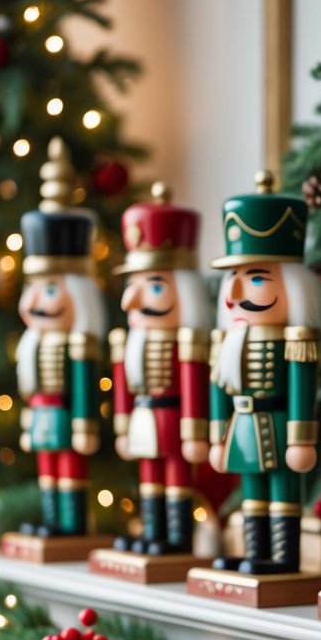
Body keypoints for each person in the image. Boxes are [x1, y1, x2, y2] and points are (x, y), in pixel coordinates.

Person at [207, 171, 321, 573]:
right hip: (241, 425)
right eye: (234, 279)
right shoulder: (228, 341)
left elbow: (301, 389)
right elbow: (219, 389)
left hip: (277, 423)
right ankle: (256, 553)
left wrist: (300, 437)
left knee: (283, 491)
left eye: (255, 278)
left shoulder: (295, 338)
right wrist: (218, 436)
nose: (237, 294)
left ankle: (284, 558)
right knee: (251, 491)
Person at [109, 184, 211, 556]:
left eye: (152, 285)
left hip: (174, 420)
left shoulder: (186, 340)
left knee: (176, 478)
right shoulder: (129, 342)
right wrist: (122, 426)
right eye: (132, 284)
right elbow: (123, 387)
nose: (131, 300)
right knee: (149, 478)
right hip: (142, 418)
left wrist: (194, 431)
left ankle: (177, 538)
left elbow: (195, 387)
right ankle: (153, 532)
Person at [16, 138, 107, 537]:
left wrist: (85, 420)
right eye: (34, 287)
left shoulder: (78, 343)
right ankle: (51, 520)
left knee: (69, 468)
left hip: (68, 414)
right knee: (47, 469)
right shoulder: (32, 343)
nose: (36, 301)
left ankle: (70, 523)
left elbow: (85, 385)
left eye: (50, 289)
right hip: (41, 412)